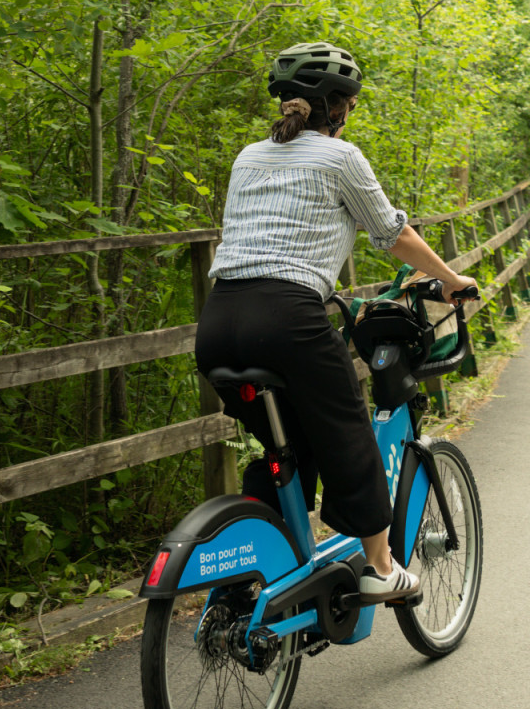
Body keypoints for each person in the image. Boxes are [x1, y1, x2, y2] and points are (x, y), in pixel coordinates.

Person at [194, 41, 478, 604]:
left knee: (286, 449)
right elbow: (392, 233)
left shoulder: (248, 157)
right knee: (348, 433)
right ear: (338, 106)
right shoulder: (340, 157)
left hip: (219, 323)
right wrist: (449, 279)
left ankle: (254, 577)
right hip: (287, 319)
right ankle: (379, 566)